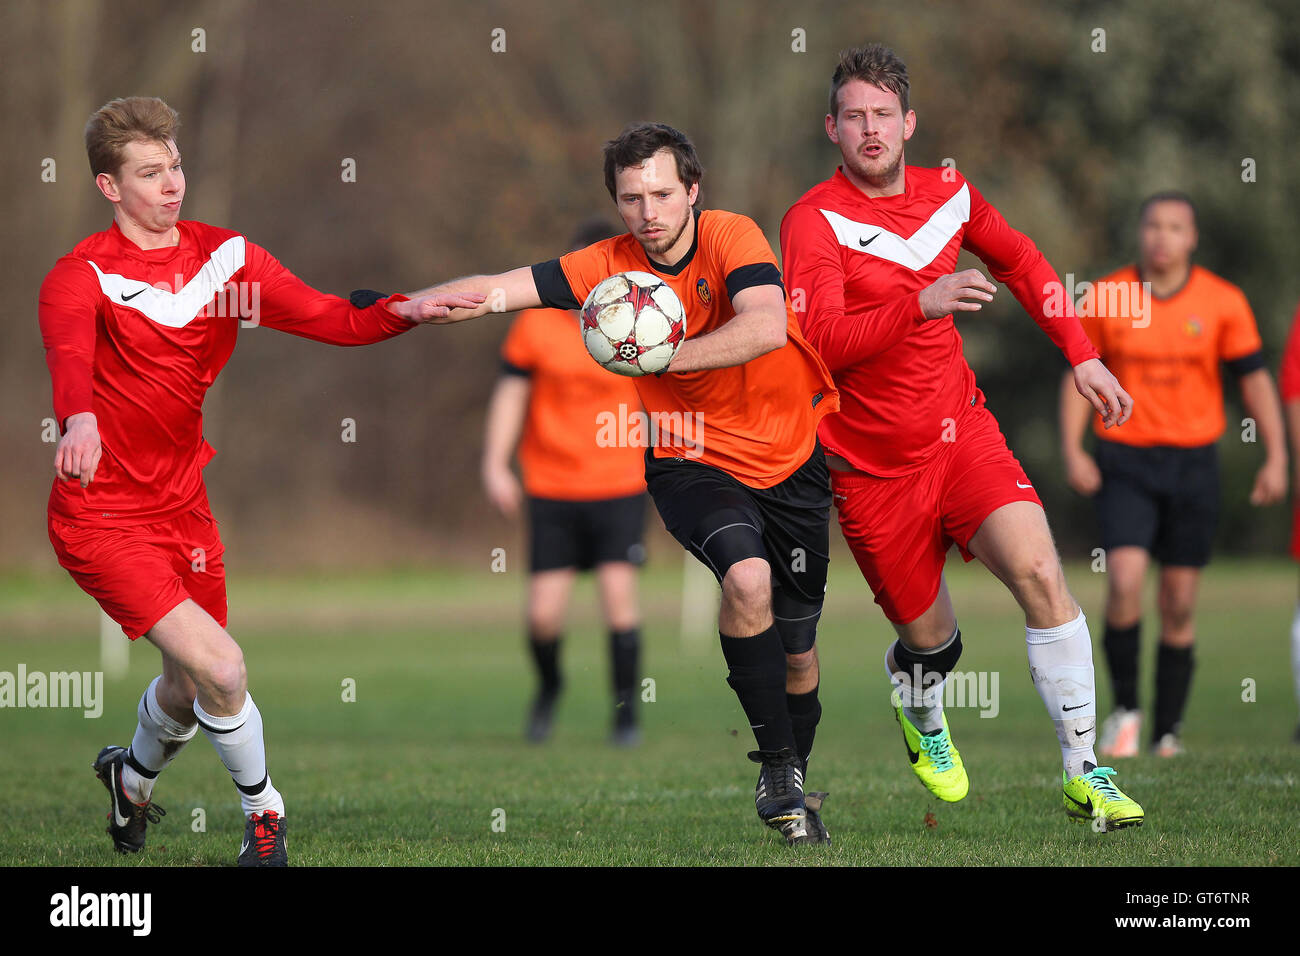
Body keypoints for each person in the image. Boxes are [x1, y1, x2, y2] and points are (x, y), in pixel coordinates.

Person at [38, 96, 481, 865]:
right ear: (110, 188)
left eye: (175, 164)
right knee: (224, 667)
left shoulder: (226, 260)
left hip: (185, 510)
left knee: (187, 687)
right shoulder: (81, 276)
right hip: (100, 514)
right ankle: (265, 817)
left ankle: (131, 784)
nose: (173, 183)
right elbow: (70, 359)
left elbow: (331, 317)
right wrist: (77, 420)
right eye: (150, 173)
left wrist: (405, 309)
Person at [401, 123, 840, 845]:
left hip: (790, 459)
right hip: (690, 461)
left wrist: (664, 357)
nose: (648, 211)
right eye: (631, 197)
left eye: (663, 193)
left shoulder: (733, 237)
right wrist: (410, 304)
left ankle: (795, 778)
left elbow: (766, 326)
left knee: (799, 650)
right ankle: (777, 769)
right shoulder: (605, 265)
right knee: (748, 581)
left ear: (693, 191)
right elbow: (499, 289)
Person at [781, 43, 1144, 829]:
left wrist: (1082, 355)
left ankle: (1086, 771)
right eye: (854, 117)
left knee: (1043, 573)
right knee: (934, 643)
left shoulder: (952, 192)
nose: (871, 130)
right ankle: (922, 709)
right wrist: (921, 302)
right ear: (832, 128)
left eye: (884, 115)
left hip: (960, 435)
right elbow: (822, 343)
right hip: (870, 469)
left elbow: (1024, 262)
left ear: (910, 123)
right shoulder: (812, 220)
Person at [1061, 192, 1287, 757]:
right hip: (1127, 460)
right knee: (1125, 582)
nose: (1163, 237)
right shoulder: (1111, 296)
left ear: (1192, 238)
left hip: (1193, 464)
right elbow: (1078, 374)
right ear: (1140, 234)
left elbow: (1255, 381)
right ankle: (1127, 714)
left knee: (1180, 603)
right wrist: (1073, 448)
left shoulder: (1223, 301)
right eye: (1153, 226)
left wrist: (1277, 455)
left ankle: (1167, 731)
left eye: (1175, 227)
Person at [483, 218, 649, 746]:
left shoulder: (639, 323)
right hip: (551, 485)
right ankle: (550, 688)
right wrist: (494, 462)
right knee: (542, 616)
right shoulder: (537, 325)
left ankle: (625, 717)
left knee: (619, 599)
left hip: (620, 481)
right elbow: (511, 394)